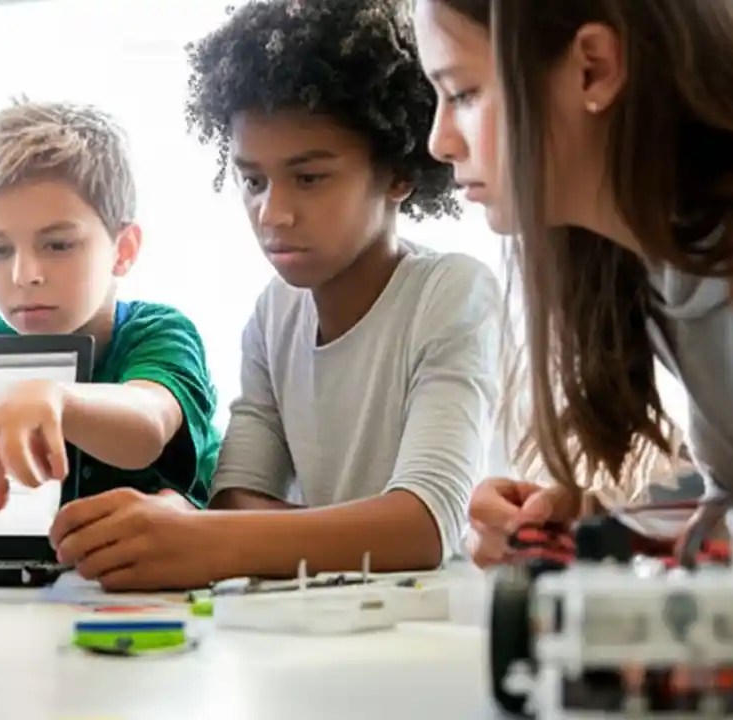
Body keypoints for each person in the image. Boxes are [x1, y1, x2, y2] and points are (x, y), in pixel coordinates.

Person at [48, 0, 501, 590]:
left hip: (431, 631)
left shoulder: (453, 292)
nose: (273, 213)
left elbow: (423, 526)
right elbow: (236, 496)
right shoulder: (275, 311)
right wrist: (337, 538)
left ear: (398, 173)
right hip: (314, 624)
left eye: (309, 178)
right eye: (253, 181)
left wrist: (204, 539)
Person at [413, 0, 733, 566]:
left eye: (463, 93)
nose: (439, 140)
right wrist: (596, 533)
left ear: (593, 69)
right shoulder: (660, 267)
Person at [0, 100, 221, 512]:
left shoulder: (157, 332)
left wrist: (56, 398)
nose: (24, 274)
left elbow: (147, 425)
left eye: (58, 245)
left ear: (123, 250)